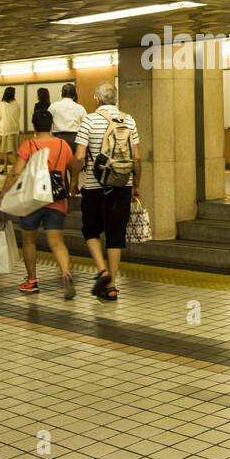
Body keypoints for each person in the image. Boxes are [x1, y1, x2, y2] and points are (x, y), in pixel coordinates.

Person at [0, 109, 78, 297]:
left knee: (29, 240)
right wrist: (73, 182)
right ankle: (66, 273)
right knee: (57, 242)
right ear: (52, 125)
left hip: (31, 199)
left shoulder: (28, 145)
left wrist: (4, 193)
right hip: (56, 198)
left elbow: (16, 172)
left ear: (34, 126)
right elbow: (72, 165)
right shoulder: (62, 145)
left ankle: (32, 280)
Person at [73, 82, 140, 301]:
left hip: (94, 187)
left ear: (97, 99)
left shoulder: (89, 120)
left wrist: (74, 180)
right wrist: (136, 184)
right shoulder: (128, 120)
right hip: (122, 186)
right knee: (115, 236)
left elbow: (80, 157)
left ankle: (102, 270)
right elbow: (137, 158)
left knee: (90, 231)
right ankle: (111, 287)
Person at [48, 83, 86, 149]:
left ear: (62, 94)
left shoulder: (53, 106)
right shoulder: (80, 108)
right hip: (75, 140)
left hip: (58, 139)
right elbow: (85, 125)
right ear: (74, 95)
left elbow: (47, 123)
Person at [0, 86, 21, 173]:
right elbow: (18, 115)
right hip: (15, 129)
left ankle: (20, 169)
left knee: (8, 151)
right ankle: (5, 167)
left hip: (6, 130)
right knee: (11, 150)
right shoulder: (17, 104)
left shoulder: (2, 104)